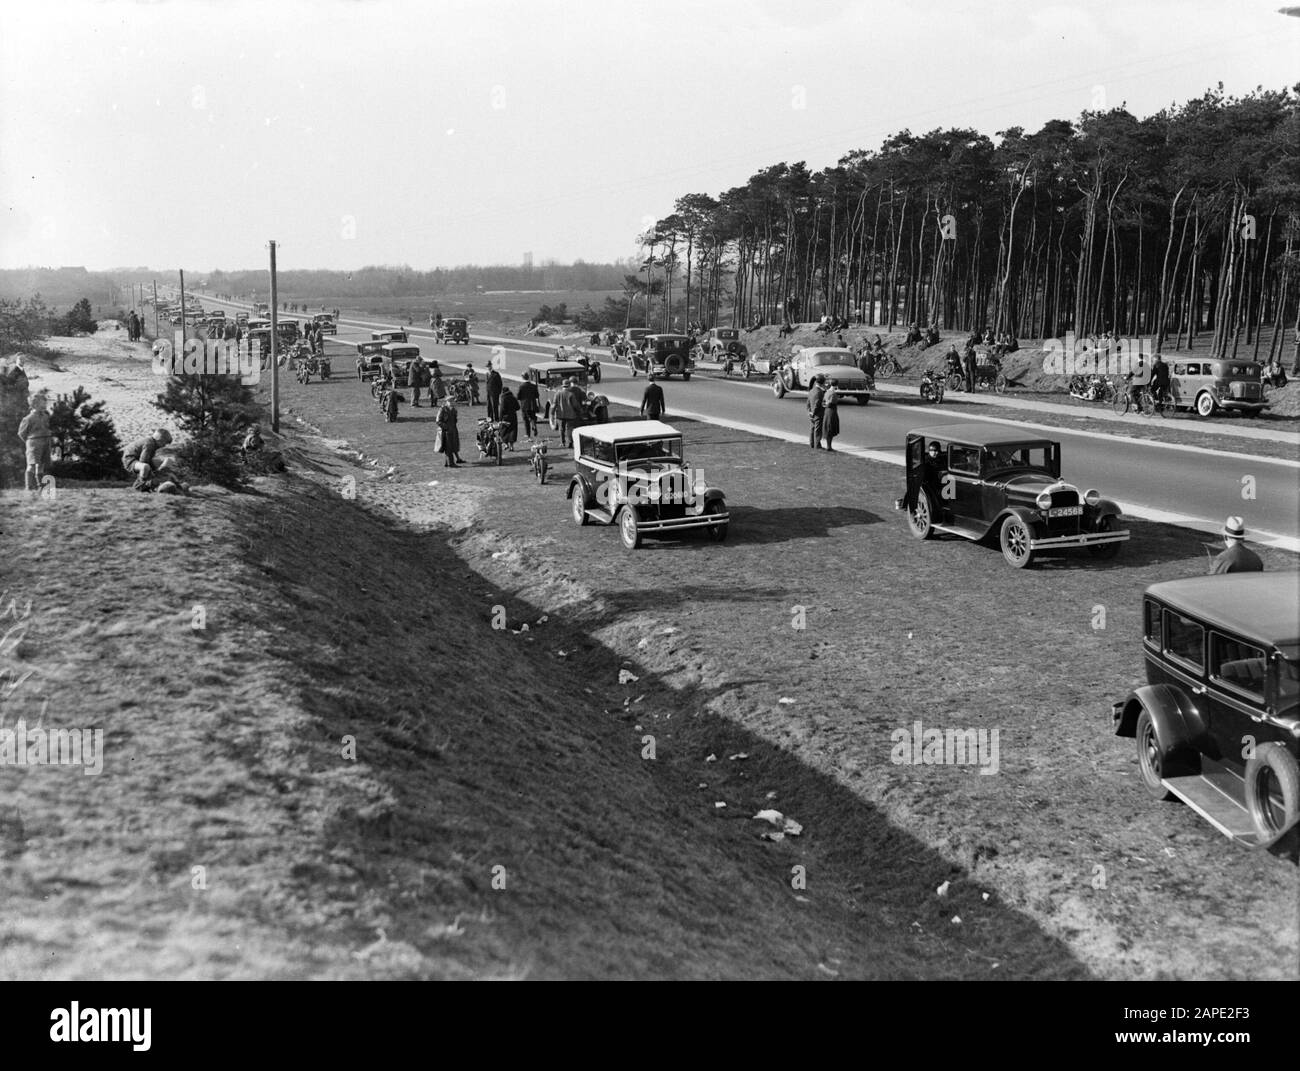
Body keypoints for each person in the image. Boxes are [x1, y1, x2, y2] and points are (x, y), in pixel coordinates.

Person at [17, 391, 52, 494]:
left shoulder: (45, 416)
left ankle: (40, 486)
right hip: (34, 443)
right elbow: (21, 433)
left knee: (41, 465)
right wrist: (30, 442)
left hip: (45, 441)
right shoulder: (28, 419)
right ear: (35, 404)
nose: (45, 405)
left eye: (45, 403)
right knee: (32, 464)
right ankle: (29, 486)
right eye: (43, 403)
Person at [554, 377, 583, 447]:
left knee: (561, 429)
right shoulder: (571, 394)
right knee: (569, 429)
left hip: (560, 414)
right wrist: (580, 410)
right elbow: (575, 405)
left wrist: (552, 413)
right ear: (569, 385)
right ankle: (570, 442)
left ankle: (562, 442)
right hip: (570, 414)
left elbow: (554, 404)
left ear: (562, 385)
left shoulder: (558, 393)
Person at [436, 397, 461, 467]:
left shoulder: (454, 410)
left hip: (453, 431)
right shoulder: (442, 409)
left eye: (453, 401)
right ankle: (451, 463)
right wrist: (446, 427)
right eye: (450, 401)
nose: (452, 402)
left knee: (452, 447)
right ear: (446, 402)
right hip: (446, 432)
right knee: (448, 448)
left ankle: (447, 463)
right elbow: (438, 421)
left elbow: (454, 421)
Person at [518, 371, 540, 438]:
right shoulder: (533, 386)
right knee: (533, 417)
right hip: (532, 404)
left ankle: (527, 433)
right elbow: (537, 395)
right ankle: (534, 426)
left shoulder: (521, 386)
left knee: (525, 419)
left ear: (522, 377)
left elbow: (518, 396)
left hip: (524, 405)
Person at [807, 374, 826, 450]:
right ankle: (817, 445)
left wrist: (809, 412)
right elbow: (817, 404)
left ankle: (812, 443)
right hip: (817, 414)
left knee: (812, 429)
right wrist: (814, 413)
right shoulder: (820, 392)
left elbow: (808, 402)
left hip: (811, 413)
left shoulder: (811, 390)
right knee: (818, 430)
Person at [822, 382, 840, 451]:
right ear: (836, 385)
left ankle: (828, 446)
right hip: (831, 412)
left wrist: (825, 404)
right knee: (830, 429)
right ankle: (829, 446)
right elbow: (830, 404)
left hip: (826, 411)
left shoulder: (827, 392)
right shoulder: (833, 393)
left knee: (828, 428)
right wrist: (827, 404)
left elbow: (823, 402)